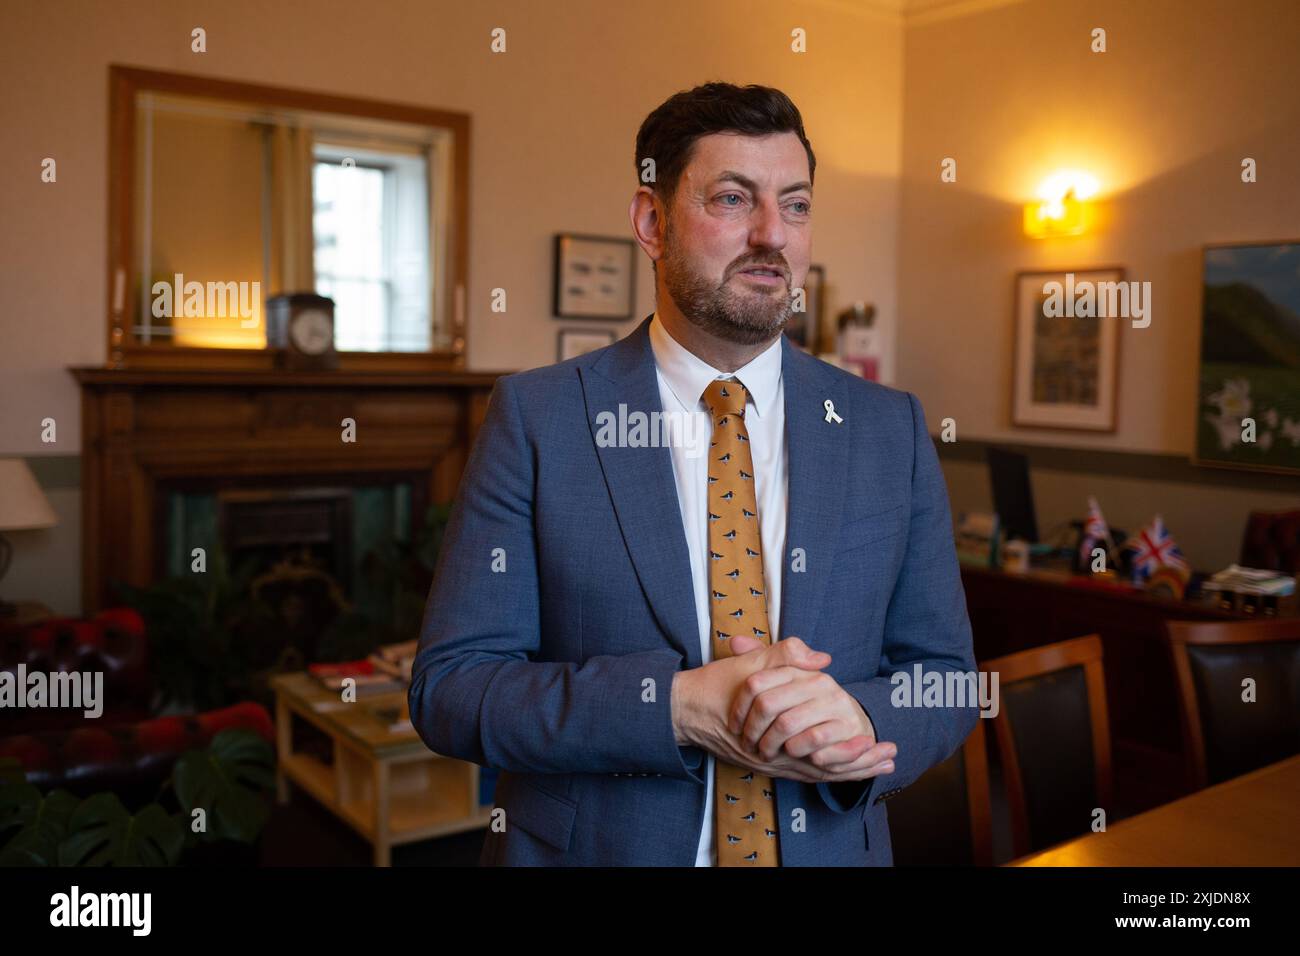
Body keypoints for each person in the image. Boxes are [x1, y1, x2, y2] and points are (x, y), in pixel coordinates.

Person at [409, 82, 978, 866]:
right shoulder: (539, 418)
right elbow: (450, 689)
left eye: (798, 204)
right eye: (733, 198)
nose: (773, 234)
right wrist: (671, 705)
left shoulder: (891, 430)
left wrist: (862, 719)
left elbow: (945, 679)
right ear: (652, 221)